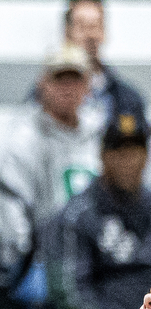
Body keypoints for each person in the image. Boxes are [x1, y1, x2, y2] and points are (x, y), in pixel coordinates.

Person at [0, 43, 103, 306]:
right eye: (59, 79)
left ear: (87, 86)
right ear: (43, 84)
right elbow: (12, 214)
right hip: (41, 260)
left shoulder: (100, 136)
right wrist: (32, 255)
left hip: (99, 253)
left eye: (75, 80)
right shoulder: (23, 140)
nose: (67, 88)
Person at [47, 109, 151, 309]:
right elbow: (70, 294)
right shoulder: (77, 215)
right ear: (103, 157)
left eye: (135, 151)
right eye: (119, 152)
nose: (128, 161)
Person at [64, 0, 147, 124]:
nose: (90, 35)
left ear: (104, 32)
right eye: (82, 27)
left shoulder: (127, 99)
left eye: (95, 26)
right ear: (67, 32)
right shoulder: (46, 96)